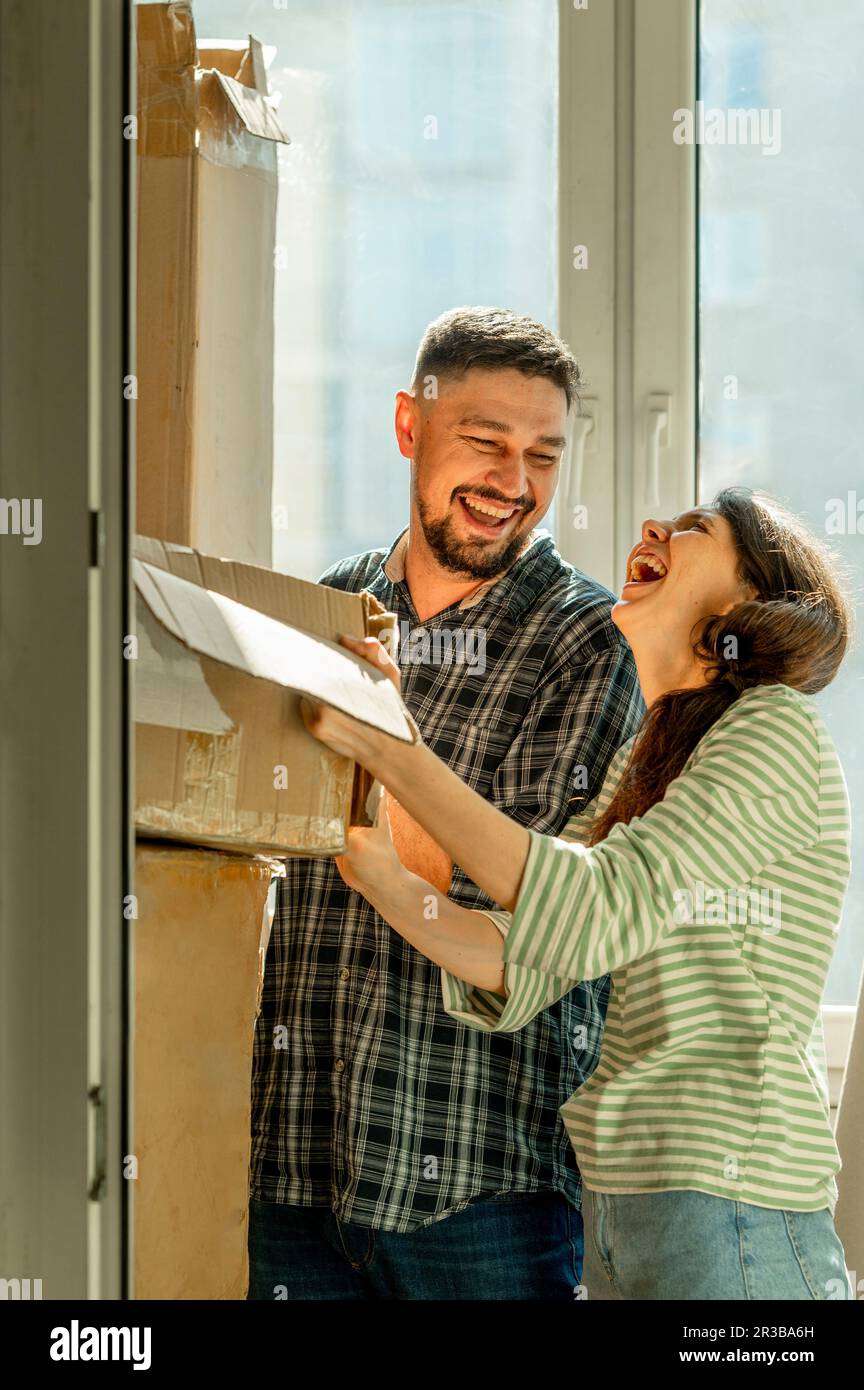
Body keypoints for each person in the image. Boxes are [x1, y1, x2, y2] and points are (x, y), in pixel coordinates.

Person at [302, 486, 855, 1300]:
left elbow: (599, 904)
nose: (652, 529)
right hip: (624, 1213)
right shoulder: (649, 761)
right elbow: (530, 956)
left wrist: (400, 755)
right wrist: (382, 875)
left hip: (736, 1215)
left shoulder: (774, 728)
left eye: (696, 529)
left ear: (749, 598)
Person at [248, 306, 643, 1300]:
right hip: (295, 1168)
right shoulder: (326, 612)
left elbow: (504, 906)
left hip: (480, 1192)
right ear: (408, 426)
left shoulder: (589, 644)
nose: (515, 483)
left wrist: (386, 735)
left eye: (543, 455)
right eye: (487, 442)